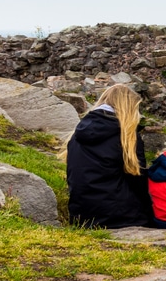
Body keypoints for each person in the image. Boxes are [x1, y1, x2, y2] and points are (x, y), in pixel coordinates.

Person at [64, 84, 153, 228]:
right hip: (119, 217)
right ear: (129, 108)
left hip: (82, 214)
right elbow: (138, 181)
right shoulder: (127, 137)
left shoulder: (77, 133)